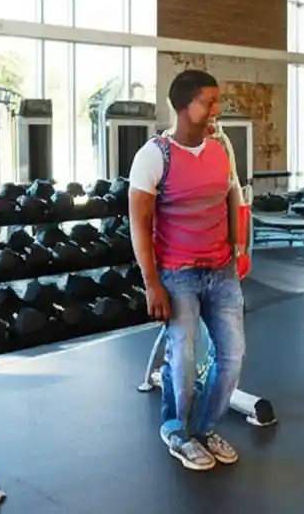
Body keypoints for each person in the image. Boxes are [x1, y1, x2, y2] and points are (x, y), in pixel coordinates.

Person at [128, 69, 246, 471]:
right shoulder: (153, 155)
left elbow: (232, 196)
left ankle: (205, 428)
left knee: (232, 356)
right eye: (208, 102)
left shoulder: (220, 149)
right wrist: (151, 285)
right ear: (182, 106)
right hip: (177, 274)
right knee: (183, 359)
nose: (216, 109)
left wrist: (238, 249)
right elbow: (139, 223)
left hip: (221, 270)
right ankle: (176, 430)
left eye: (217, 101)